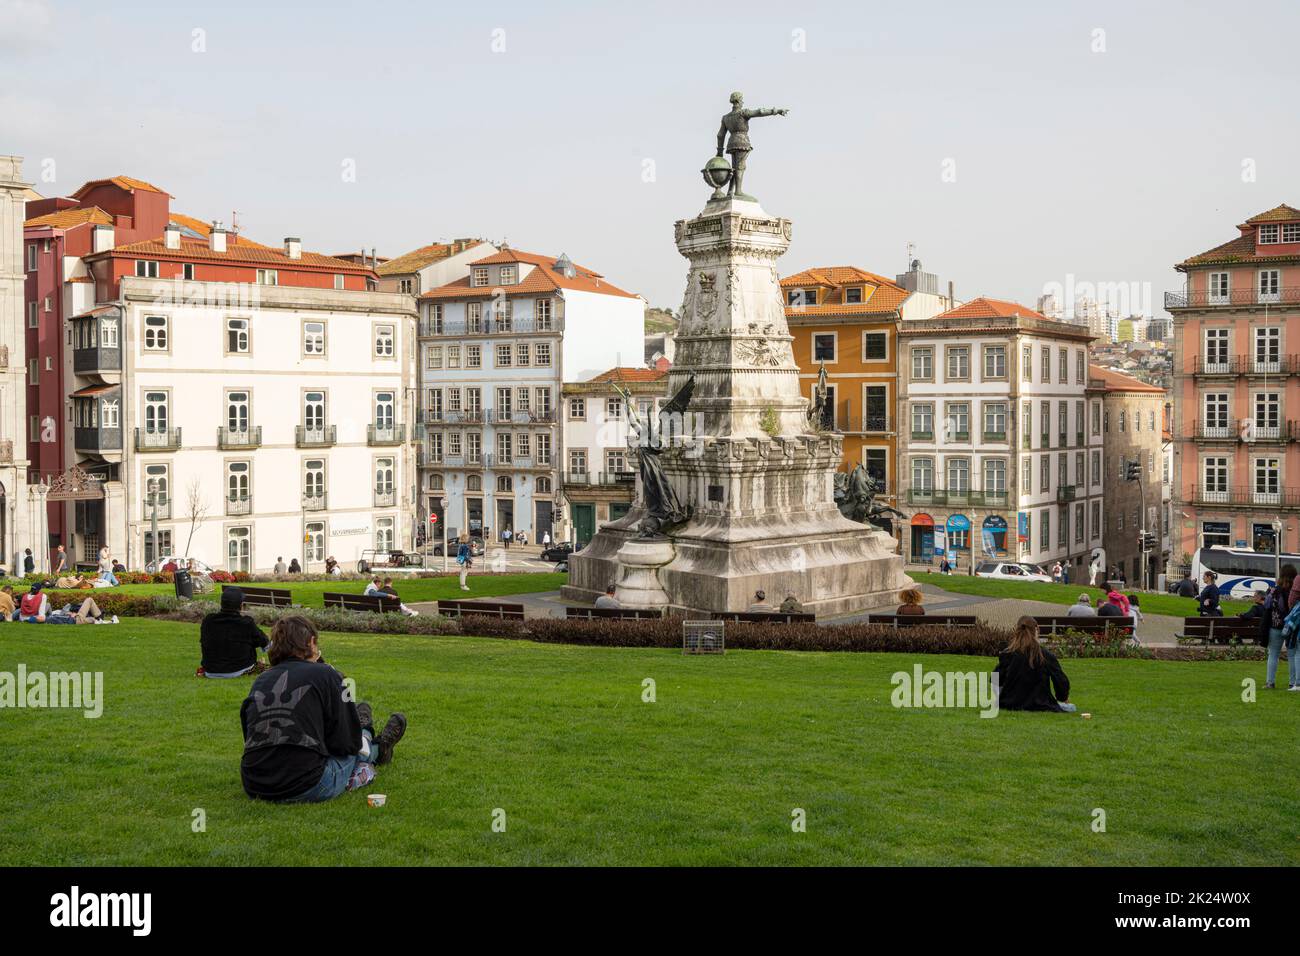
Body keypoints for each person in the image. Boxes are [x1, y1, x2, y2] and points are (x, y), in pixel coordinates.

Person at [239, 616, 408, 803]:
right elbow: (347, 745)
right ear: (311, 642)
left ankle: (364, 728)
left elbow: (250, 736)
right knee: (356, 751)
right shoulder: (325, 674)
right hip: (307, 784)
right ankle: (376, 744)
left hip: (255, 784)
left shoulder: (261, 680)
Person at [994, 616, 1077, 712]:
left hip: (1010, 703)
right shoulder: (1045, 655)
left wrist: (1003, 696)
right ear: (1036, 629)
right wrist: (1062, 697)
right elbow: (1061, 681)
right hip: (1040, 703)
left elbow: (995, 678)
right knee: (1071, 708)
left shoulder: (1008, 654)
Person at [200, 587, 270, 678]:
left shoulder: (208, 621)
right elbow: (265, 643)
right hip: (239, 669)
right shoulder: (246, 623)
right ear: (240, 605)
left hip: (211, 670)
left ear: (222, 604)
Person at [1263, 564, 1299, 690]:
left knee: (1273, 654)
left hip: (1275, 626)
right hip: (1291, 626)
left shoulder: (1274, 591)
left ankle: (1270, 682)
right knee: (1292, 655)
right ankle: (1293, 682)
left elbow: (1266, 606)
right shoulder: (1295, 591)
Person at [46, 597, 114, 625]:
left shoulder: (52, 616)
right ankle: (99, 617)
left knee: (92, 619)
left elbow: (48, 605)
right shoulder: (51, 618)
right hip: (76, 619)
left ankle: (100, 619)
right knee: (89, 599)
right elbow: (62, 621)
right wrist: (71, 615)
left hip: (76, 618)